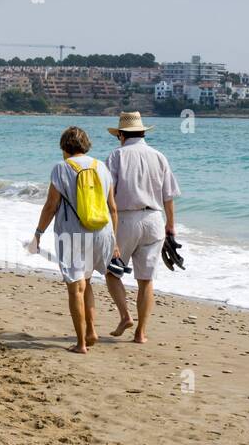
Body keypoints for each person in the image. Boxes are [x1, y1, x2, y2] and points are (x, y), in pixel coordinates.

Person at [31, 126, 120, 353]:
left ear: (64, 147)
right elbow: (113, 207)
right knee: (87, 281)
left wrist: (38, 234)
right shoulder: (102, 167)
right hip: (102, 232)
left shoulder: (61, 168)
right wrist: (115, 241)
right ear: (86, 145)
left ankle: (81, 344)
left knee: (75, 288)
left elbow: (51, 206)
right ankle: (90, 331)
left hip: (71, 234)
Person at [104, 112, 180, 343]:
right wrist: (171, 227)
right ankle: (141, 333)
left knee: (111, 272)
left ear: (121, 135)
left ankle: (125, 316)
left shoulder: (116, 156)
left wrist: (105, 224)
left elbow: (108, 195)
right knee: (146, 280)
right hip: (154, 220)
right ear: (144, 132)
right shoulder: (159, 157)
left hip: (126, 219)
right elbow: (169, 197)